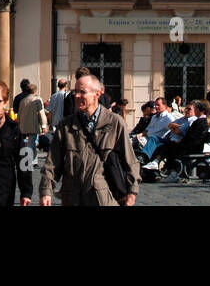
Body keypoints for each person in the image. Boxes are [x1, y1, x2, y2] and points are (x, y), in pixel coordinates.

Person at [39, 74, 140, 206]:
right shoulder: (66, 125)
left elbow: (130, 160)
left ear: (97, 94)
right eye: (75, 92)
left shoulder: (114, 123)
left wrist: (132, 192)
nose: (76, 96)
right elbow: (52, 162)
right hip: (72, 198)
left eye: (82, 92)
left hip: (102, 197)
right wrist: (46, 190)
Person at [17, 82, 46, 150]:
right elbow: (41, 113)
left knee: (27, 144)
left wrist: (18, 123)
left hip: (23, 126)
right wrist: (43, 125)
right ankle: (31, 159)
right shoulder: (38, 100)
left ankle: (28, 158)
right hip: (33, 126)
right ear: (35, 91)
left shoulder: (23, 101)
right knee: (32, 144)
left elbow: (19, 113)